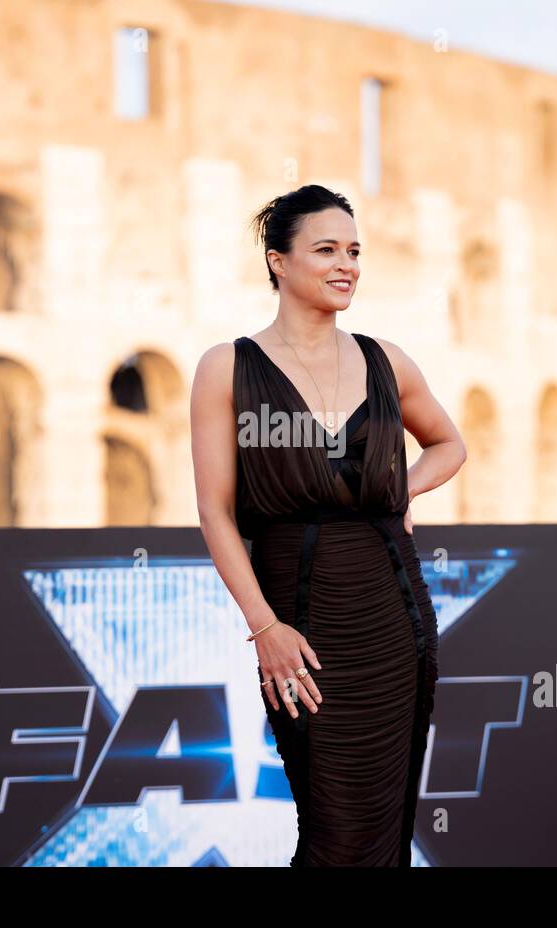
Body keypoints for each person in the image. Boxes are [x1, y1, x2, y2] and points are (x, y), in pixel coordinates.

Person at [190, 184, 467, 866]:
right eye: (325, 250)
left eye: (353, 251)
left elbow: (449, 445)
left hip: (394, 613)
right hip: (298, 617)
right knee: (332, 832)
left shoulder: (385, 360)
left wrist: (402, 493)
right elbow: (215, 513)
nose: (346, 265)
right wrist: (265, 628)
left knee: (383, 833)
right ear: (278, 261)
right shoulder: (227, 367)